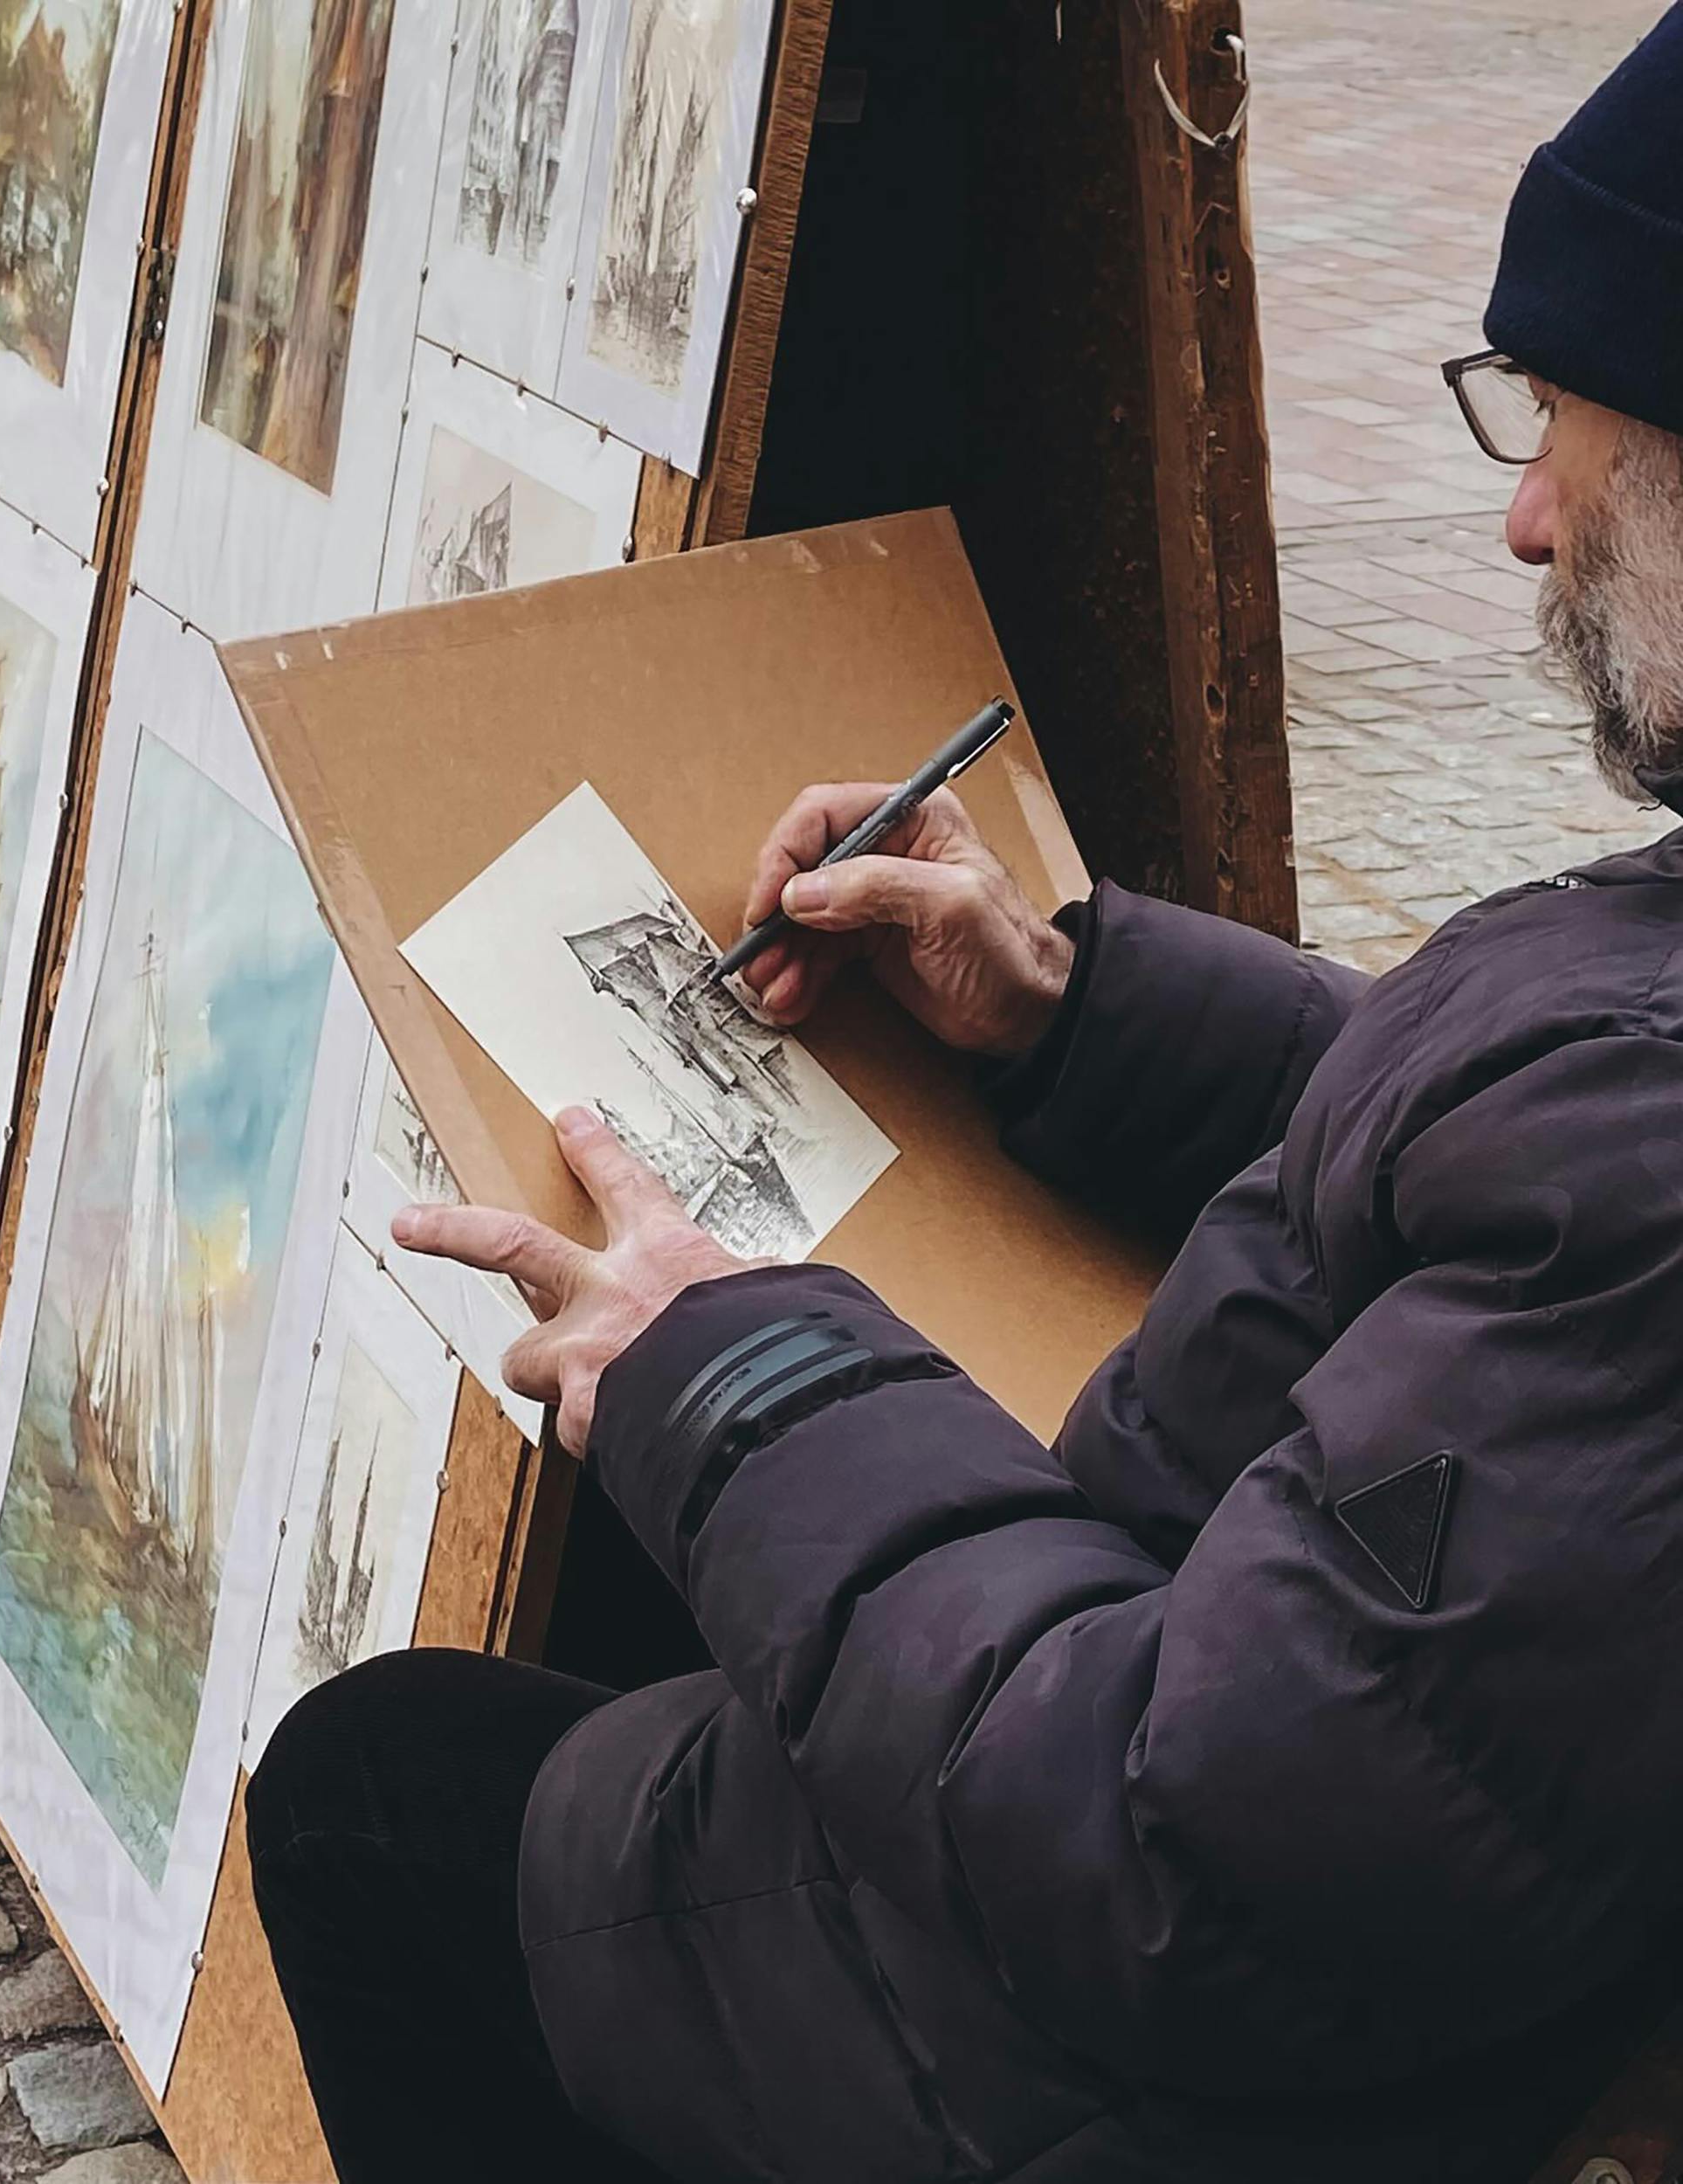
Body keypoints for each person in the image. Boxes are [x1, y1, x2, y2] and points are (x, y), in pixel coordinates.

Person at [248, 11, 1683, 2181]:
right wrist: (1071, 1010)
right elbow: (1507, 1151)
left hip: (1150, 2037)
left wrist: (720, 1369)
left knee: (373, 1784)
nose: (1519, 513)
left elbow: (1168, 1854)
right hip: (1344, 1830)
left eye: (1571, 424)